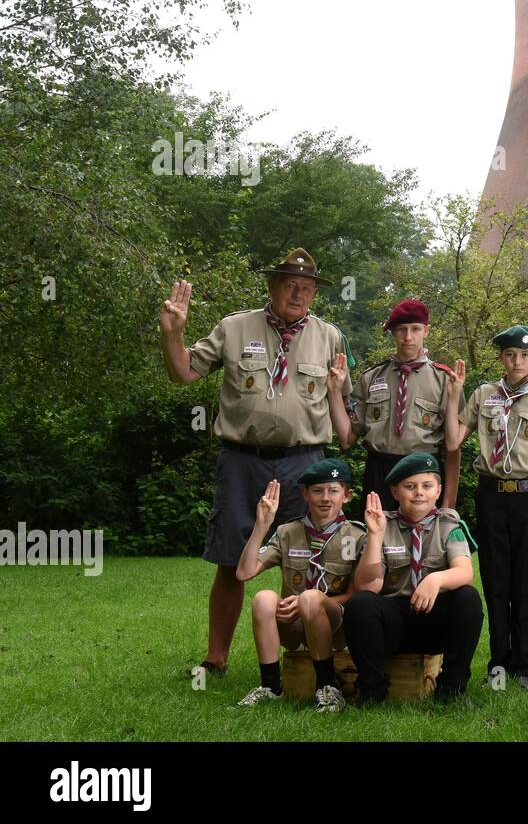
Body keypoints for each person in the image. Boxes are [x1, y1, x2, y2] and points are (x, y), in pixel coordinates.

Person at [160, 247, 353, 679]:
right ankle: (216, 659)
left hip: (305, 464)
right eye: (290, 285)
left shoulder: (331, 337)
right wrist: (173, 333)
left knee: (315, 558)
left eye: (307, 288)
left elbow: (344, 403)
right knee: (231, 560)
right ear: (272, 286)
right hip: (241, 462)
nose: (299, 294)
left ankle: (311, 658)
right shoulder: (234, 326)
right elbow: (183, 373)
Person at [443, 325, 528, 689]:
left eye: (525, 355)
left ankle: (523, 667)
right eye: (511, 355)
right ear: (501, 357)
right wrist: (454, 397)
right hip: (491, 495)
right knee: (496, 584)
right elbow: (453, 441)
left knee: (525, 584)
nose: (517, 361)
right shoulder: (484, 395)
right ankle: (498, 666)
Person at [345, 452, 483, 704]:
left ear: (438, 490)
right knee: (360, 603)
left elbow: (465, 572)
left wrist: (436, 580)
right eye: (410, 487)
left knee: (468, 598)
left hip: (434, 621)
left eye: (426, 486)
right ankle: (372, 691)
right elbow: (368, 585)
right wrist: (375, 536)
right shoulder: (382, 524)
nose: (419, 492)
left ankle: (451, 690)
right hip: (394, 623)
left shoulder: (449, 526)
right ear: (395, 492)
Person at [232, 459, 366, 711]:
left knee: (310, 598)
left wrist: (311, 600)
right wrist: (261, 525)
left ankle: (327, 687)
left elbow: (357, 595)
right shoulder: (288, 531)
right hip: (293, 626)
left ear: (346, 496)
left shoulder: (357, 536)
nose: (325, 498)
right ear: (305, 494)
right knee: (263, 598)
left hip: (336, 626)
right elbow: (244, 572)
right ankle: (270, 686)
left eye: (333, 490)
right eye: (317, 491)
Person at [327, 298, 463, 510]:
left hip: (423, 473)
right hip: (379, 473)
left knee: (421, 541)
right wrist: (334, 392)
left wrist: (449, 502)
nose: (408, 337)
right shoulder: (371, 377)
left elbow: (453, 449)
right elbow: (347, 439)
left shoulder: (445, 380)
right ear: (392, 333)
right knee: (376, 540)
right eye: (401, 330)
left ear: (426, 331)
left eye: (415, 329)